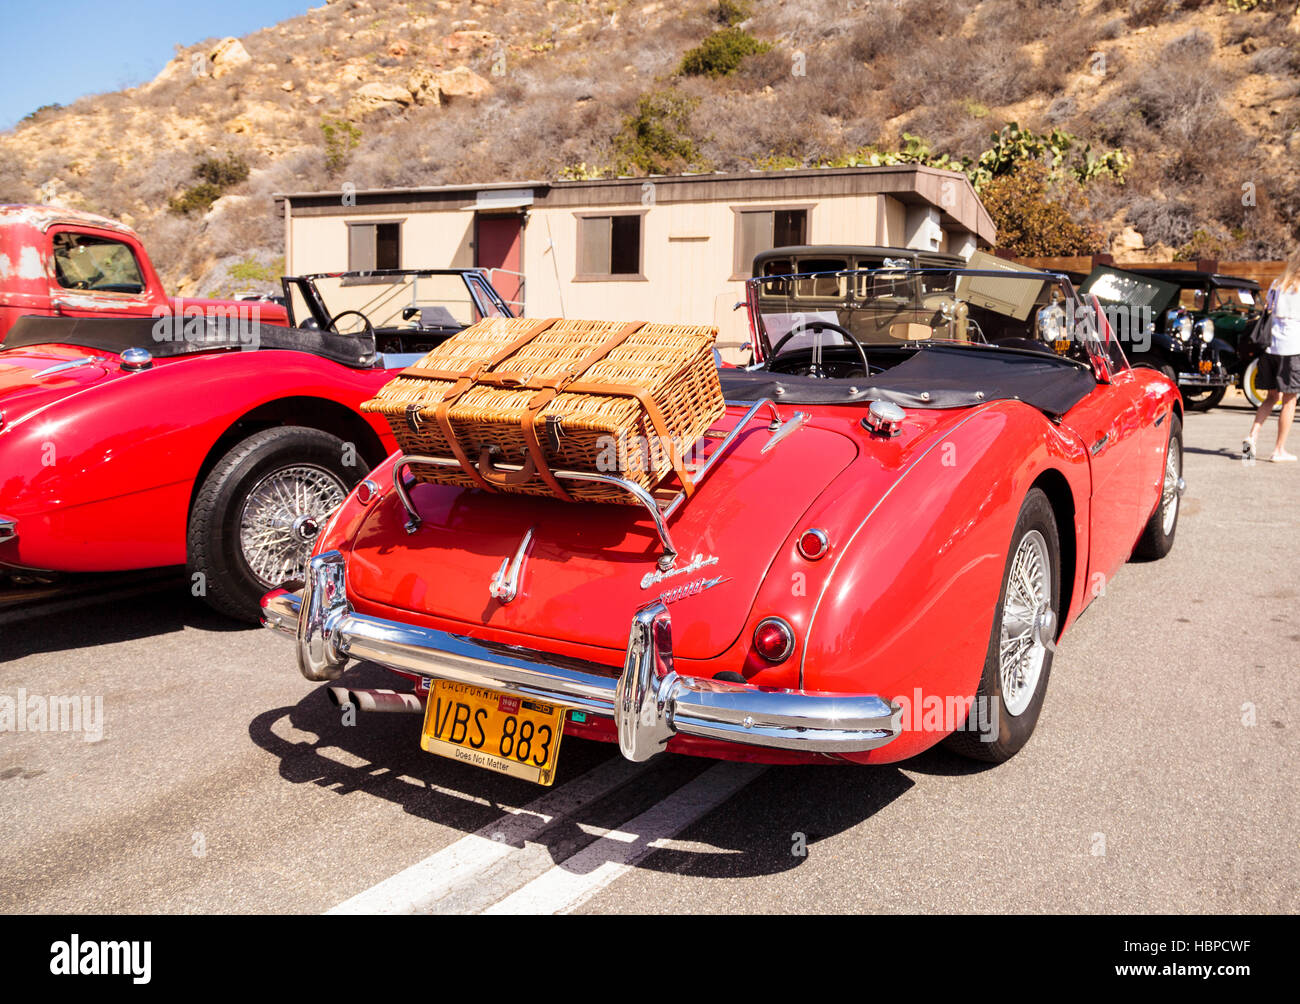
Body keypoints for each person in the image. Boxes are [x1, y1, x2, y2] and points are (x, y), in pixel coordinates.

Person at [1245, 247, 1300, 462]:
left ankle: (1252, 436)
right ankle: (1279, 450)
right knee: (1289, 400)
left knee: (1271, 397)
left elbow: (1267, 309)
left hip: (1271, 348)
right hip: (1293, 349)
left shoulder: (1277, 284)